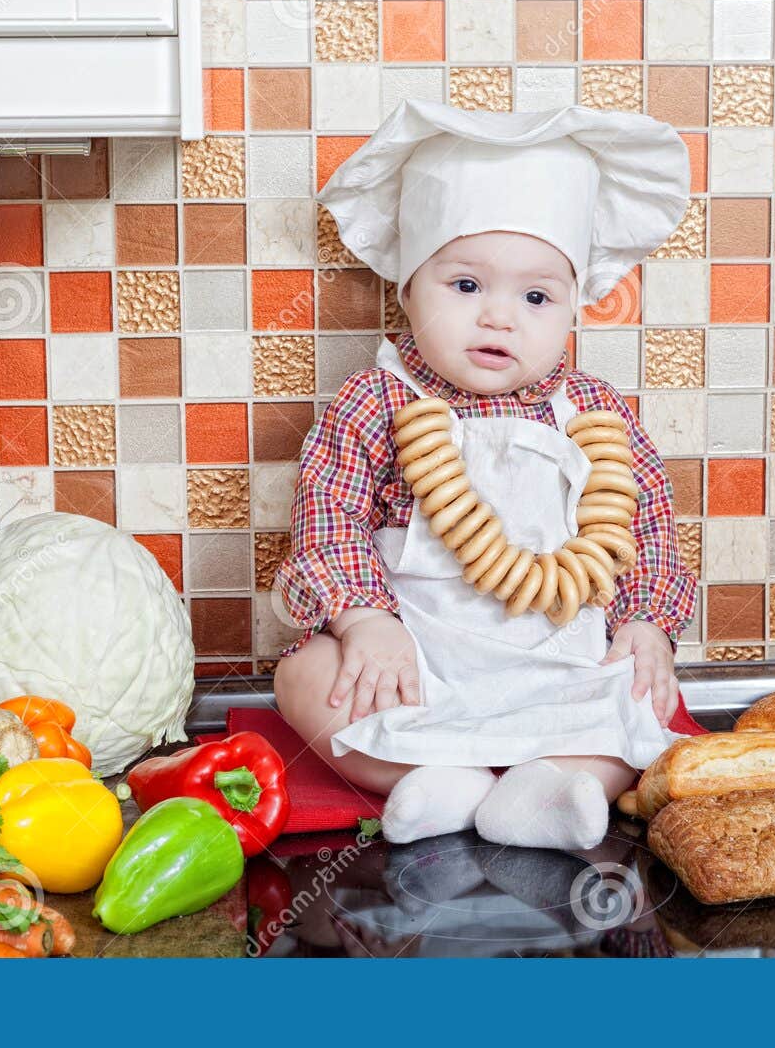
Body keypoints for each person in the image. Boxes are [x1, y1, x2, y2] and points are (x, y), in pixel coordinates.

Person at [273, 99, 697, 852]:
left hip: (557, 660)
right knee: (305, 675)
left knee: (637, 699)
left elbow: (648, 525)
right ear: (408, 289)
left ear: (573, 308)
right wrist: (365, 621)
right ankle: (439, 778)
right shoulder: (376, 401)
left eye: (536, 296)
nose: (500, 317)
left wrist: (645, 623)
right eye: (466, 286)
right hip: (414, 660)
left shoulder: (594, 412)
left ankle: (548, 790)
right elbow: (328, 516)